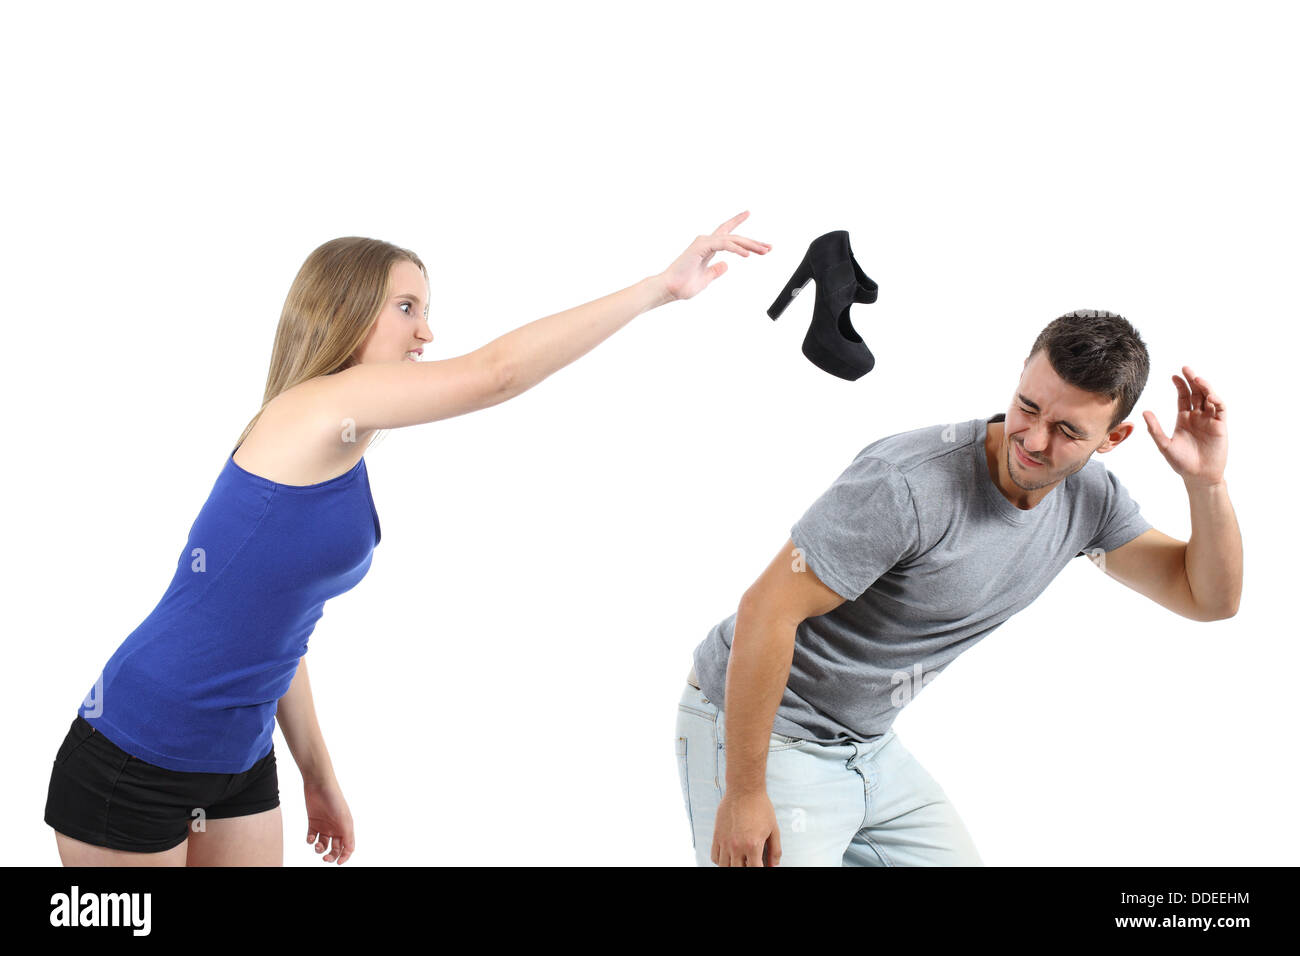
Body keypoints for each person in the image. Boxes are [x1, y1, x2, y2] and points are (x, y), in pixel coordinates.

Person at [46, 211, 771, 866]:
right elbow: (496, 375)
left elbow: (277, 631)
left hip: (236, 764)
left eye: (426, 311)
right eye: (406, 308)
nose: (426, 332)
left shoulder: (343, 448)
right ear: (344, 312)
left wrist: (319, 778)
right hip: (133, 756)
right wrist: (659, 289)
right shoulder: (315, 409)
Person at [677, 310, 1242, 866]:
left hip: (865, 744)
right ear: (1021, 376)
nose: (1035, 440)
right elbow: (765, 611)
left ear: (1114, 437)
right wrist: (746, 793)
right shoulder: (906, 484)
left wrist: (1206, 484)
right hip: (765, 731)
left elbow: (1207, 598)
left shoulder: (1090, 503)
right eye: (1028, 407)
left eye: (1069, 431)